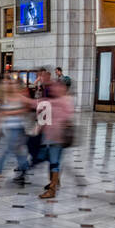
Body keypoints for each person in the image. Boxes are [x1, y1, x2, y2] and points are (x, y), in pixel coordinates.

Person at [37, 71, 75, 199]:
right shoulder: (58, 100)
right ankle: (54, 181)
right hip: (53, 136)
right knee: (54, 161)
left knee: (53, 162)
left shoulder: (64, 101)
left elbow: (65, 117)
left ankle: (52, 188)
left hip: (57, 137)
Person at [0, 77, 30, 185]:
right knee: (18, 152)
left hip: (16, 128)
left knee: (6, 151)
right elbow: (0, 111)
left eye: (11, 84)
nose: (8, 86)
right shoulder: (6, 97)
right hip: (7, 128)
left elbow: (26, 108)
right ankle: (24, 169)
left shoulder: (19, 97)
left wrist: (9, 112)